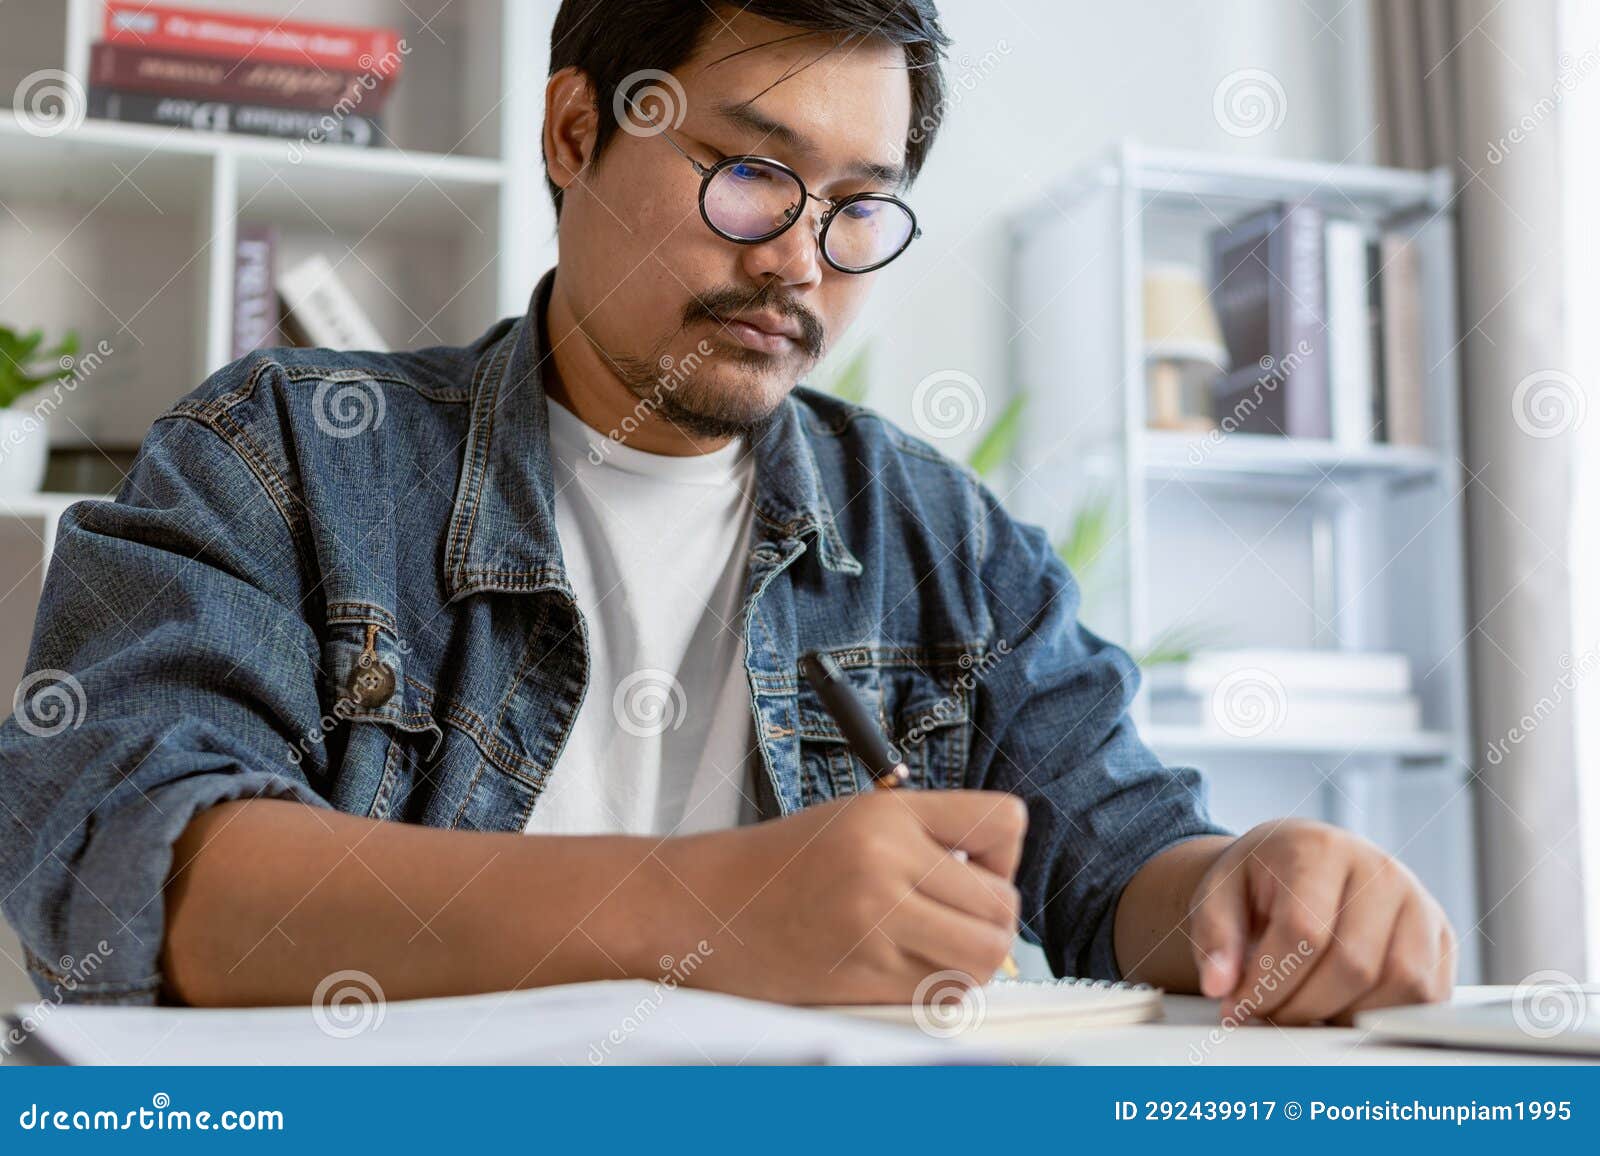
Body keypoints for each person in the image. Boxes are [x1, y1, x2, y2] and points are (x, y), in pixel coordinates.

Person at [0, 1, 1453, 1025]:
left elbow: (1119, 864)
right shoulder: (288, 455)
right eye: (752, 173)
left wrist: (1254, 892)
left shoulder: (939, 536)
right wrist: (717, 913)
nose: (803, 266)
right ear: (577, 129)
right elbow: (132, 867)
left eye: (858, 206)